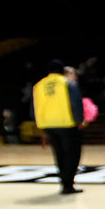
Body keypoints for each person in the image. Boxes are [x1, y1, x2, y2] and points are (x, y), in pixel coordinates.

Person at [32, 61, 83, 193]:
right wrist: (79, 120)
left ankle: (63, 182)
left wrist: (40, 123)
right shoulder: (67, 83)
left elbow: (33, 108)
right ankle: (68, 184)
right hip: (66, 123)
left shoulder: (38, 85)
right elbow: (76, 103)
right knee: (72, 154)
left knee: (59, 154)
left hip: (47, 125)